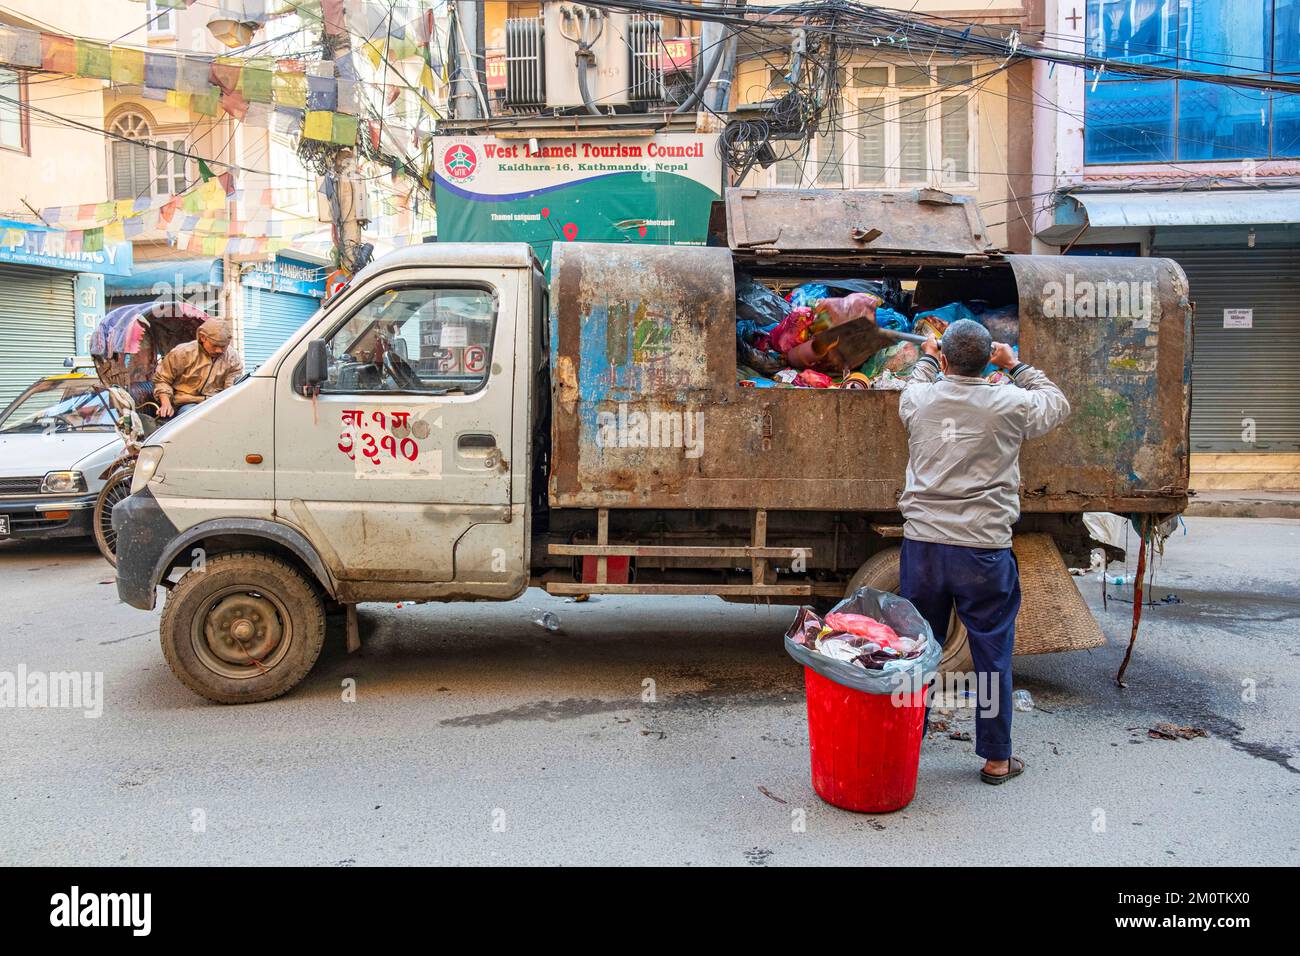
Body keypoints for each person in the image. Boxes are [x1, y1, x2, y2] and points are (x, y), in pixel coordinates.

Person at [897, 318, 1070, 785]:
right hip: (982, 550)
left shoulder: (922, 399)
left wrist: (930, 356)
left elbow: (914, 380)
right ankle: (996, 758)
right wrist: (1015, 366)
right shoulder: (1009, 402)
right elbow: (1056, 403)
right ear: (988, 360)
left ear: (948, 360)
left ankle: (906, 740)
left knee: (918, 649)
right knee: (991, 653)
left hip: (925, 548)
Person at [153, 319, 244, 418]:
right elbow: (162, 379)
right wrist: (166, 403)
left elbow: (231, 390)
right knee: (193, 416)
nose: (219, 350)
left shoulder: (232, 358)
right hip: (185, 404)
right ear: (202, 337)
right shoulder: (182, 353)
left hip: (216, 404)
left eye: (223, 346)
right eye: (215, 345)